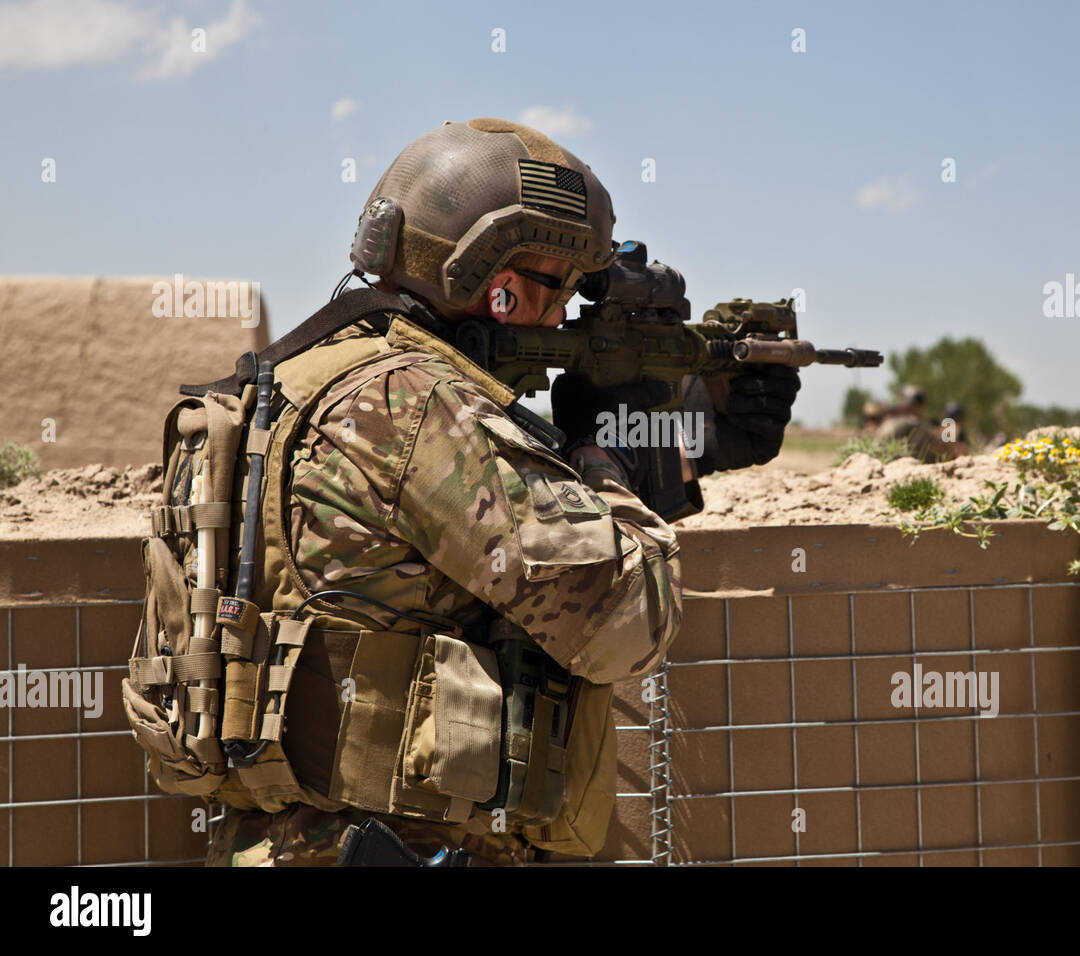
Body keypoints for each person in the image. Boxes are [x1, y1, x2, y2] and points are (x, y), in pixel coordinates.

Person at [205, 118, 798, 865]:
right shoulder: (416, 406)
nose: (564, 317)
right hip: (408, 846)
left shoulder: (297, 383)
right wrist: (603, 451)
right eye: (563, 289)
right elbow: (629, 620)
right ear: (503, 288)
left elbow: (459, 530)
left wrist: (683, 446)